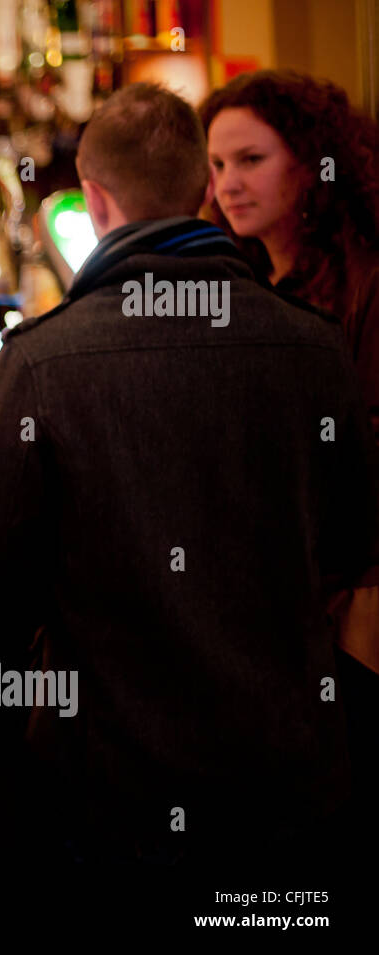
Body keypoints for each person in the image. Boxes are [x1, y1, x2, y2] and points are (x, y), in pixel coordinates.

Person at [0, 83, 378, 862]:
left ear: (94, 199)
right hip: (290, 775)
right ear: (202, 189)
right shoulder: (314, 345)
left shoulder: (42, 357)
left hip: (115, 779)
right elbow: (353, 544)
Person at [201, 71, 379, 835]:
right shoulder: (251, 281)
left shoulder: (367, 282)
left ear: (311, 161)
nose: (228, 184)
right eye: (215, 165)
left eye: (250, 160)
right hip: (286, 609)